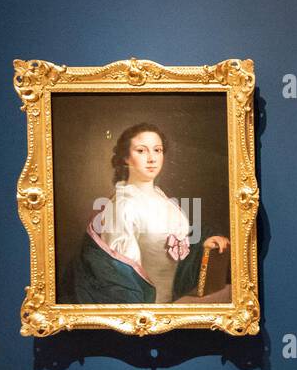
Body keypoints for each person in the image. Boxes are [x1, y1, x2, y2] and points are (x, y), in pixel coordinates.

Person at [68, 123, 229, 304]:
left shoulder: (161, 197)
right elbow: (121, 277)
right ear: (125, 157)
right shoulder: (122, 206)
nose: (152, 158)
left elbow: (177, 248)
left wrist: (203, 244)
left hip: (176, 303)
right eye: (141, 151)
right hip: (146, 310)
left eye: (157, 150)